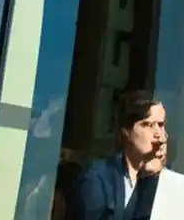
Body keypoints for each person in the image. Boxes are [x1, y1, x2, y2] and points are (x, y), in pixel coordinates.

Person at [71, 91, 168, 220]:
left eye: (161, 125)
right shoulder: (98, 179)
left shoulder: (165, 183)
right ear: (126, 130)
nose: (160, 136)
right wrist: (148, 182)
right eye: (148, 125)